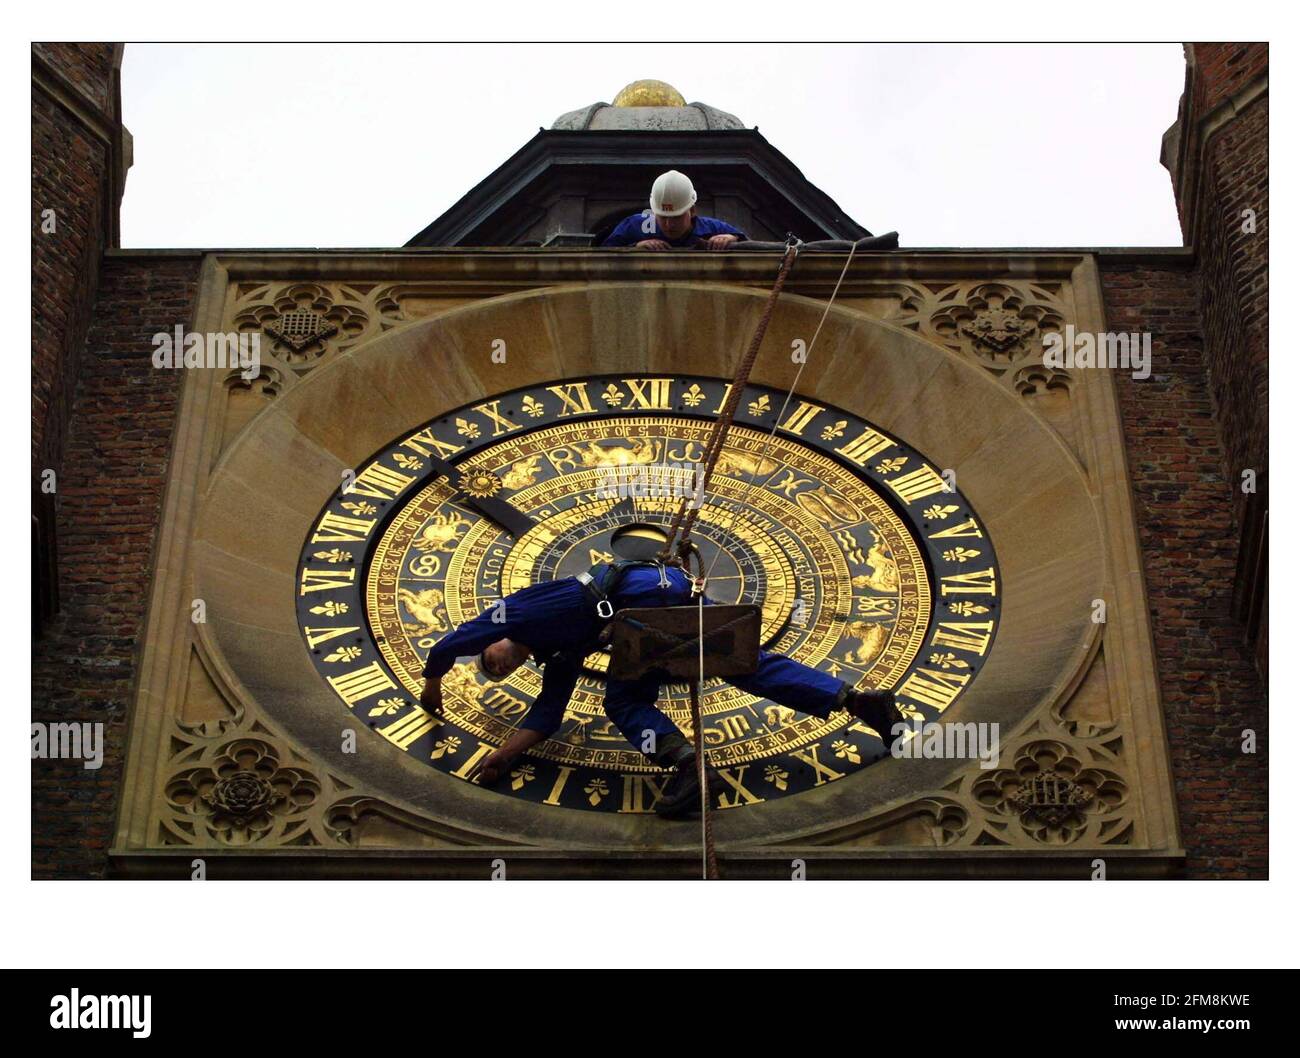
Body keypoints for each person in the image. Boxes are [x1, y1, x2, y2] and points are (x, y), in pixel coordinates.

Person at [419, 527, 903, 817]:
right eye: (497, 671)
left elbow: (451, 642)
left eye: (490, 656)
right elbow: (547, 715)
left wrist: (433, 685)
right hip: (652, 615)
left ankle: (690, 767)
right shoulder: (561, 655)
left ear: (493, 641)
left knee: (634, 697)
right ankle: (858, 702)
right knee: (739, 666)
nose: (497, 663)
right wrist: (504, 756)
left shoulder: (517, 610)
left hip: (644, 600)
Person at [602, 170, 747, 251]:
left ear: (692, 211)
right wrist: (636, 247)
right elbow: (603, 254)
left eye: (676, 217)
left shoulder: (712, 228)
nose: (669, 225)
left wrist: (732, 239)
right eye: (663, 217)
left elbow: (749, 245)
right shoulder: (635, 226)